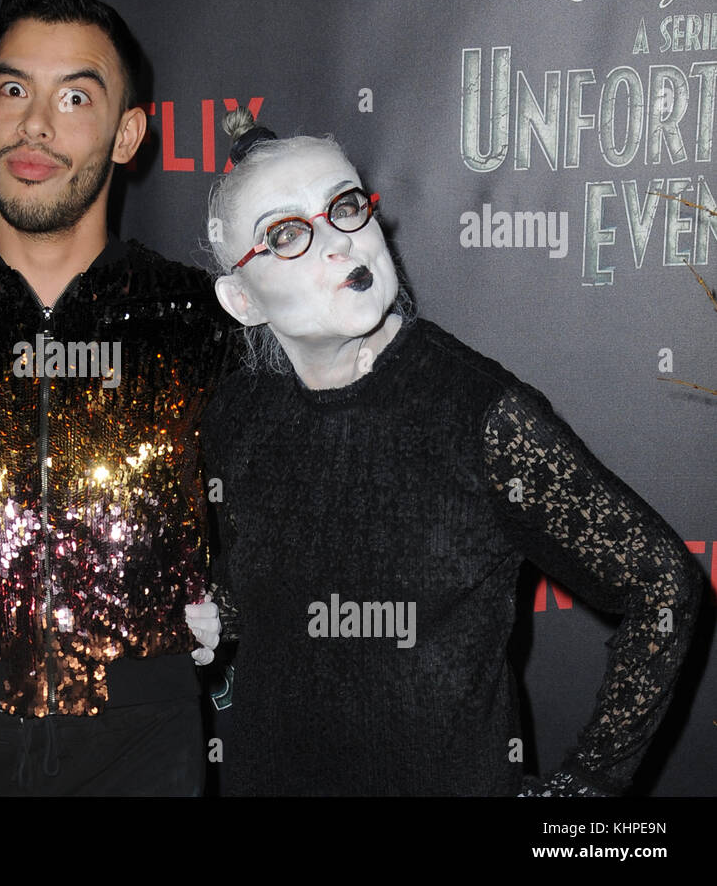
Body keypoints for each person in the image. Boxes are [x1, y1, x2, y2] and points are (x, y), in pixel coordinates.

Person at [200, 110, 702, 796]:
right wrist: (214, 612)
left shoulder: (478, 415)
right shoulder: (237, 414)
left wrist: (584, 790)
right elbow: (267, 581)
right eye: (286, 233)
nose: (340, 242)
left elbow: (664, 584)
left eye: (346, 206)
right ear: (240, 298)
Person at [0, 0, 228, 795]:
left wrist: (229, 604)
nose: (35, 125)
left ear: (128, 134)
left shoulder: (200, 324)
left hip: (147, 742)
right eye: (15, 90)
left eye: (75, 98)